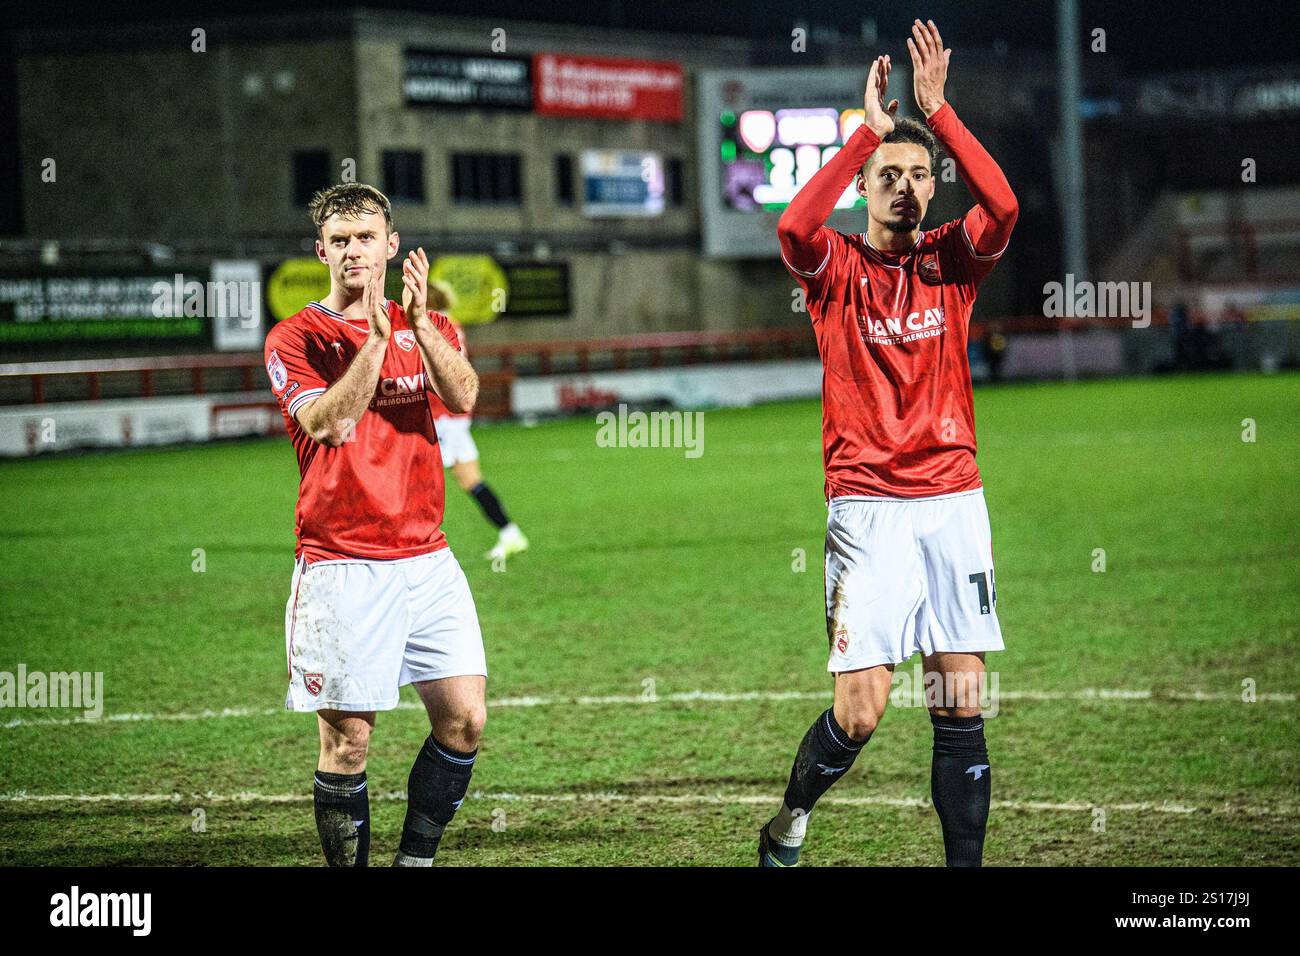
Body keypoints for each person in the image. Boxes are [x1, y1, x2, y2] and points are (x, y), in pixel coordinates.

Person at [760, 20, 1018, 867]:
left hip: (952, 502)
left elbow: (1005, 206)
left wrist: (938, 117)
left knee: (959, 699)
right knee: (861, 713)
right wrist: (865, 131)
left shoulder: (954, 261)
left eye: (918, 176)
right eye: (888, 175)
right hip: (867, 508)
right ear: (864, 186)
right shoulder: (834, 268)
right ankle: (791, 818)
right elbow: (793, 229)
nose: (905, 188)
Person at [264, 183, 486, 866]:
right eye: (339, 240)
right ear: (321, 252)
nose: (353, 251)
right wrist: (376, 343)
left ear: (390, 247)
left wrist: (415, 329)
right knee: (349, 741)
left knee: (465, 722)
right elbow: (329, 424)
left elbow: (465, 394)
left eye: (366, 237)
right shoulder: (296, 337)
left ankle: (414, 860)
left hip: (426, 558)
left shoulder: (429, 326)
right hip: (341, 564)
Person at [426, 279, 529, 563]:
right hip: (452, 415)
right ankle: (510, 533)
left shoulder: (432, 326)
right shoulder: (450, 323)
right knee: (468, 478)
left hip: (441, 415)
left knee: (417, 479)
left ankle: (411, 547)